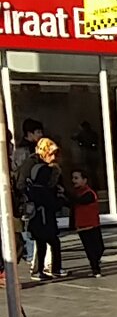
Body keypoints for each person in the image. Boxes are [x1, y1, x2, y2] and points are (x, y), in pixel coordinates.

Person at [20, 137, 68, 281]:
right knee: (48, 242)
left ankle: (42, 269)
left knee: (44, 243)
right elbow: (47, 198)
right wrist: (59, 201)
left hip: (41, 215)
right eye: (51, 153)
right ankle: (47, 269)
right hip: (42, 215)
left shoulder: (39, 169)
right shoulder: (42, 171)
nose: (53, 157)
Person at [12, 118, 44, 267]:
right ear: (29, 133)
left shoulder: (40, 148)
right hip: (25, 191)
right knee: (27, 221)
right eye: (38, 132)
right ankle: (30, 253)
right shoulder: (23, 151)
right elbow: (19, 172)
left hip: (35, 190)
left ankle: (33, 253)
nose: (41, 134)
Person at [70, 167, 104, 277]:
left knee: (100, 248)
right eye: (73, 178)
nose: (74, 180)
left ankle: (96, 261)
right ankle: (95, 269)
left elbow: (81, 201)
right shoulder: (75, 193)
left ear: (84, 180)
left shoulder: (89, 193)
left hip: (93, 225)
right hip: (82, 227)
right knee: (90, 250)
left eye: (76, 178)